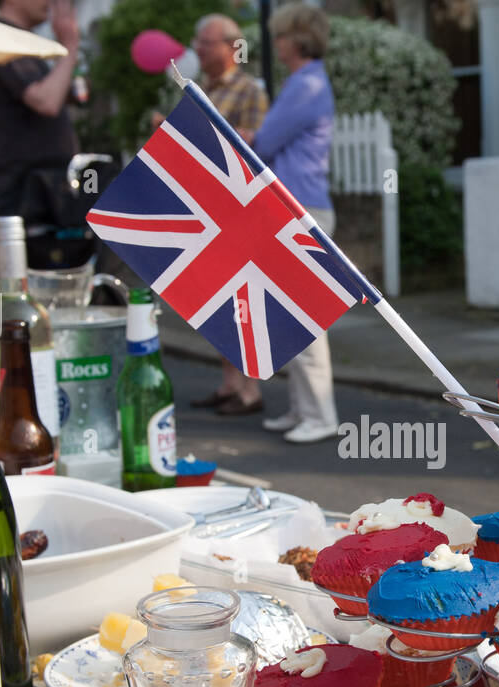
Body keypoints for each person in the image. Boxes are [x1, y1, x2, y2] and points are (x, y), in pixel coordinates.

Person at [250, 3, 340, 444]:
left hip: (303, 211)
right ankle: (303, 409)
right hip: (299, 209)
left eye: (282, 36)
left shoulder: (304, 85)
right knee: (293, 314)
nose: (277, 44)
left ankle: (321, 416)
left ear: (298, 39)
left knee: (306, 317)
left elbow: (264, 143)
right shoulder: (306, 83)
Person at [183, 14, 272, 417]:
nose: (198, 49)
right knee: (213, 300)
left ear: (231, 47)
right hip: (203, 210)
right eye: (198, 42)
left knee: (240, 303)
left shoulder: (250, 91)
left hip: (235, 212)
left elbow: (253, 151)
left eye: (206, 42)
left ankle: (249, 391)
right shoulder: (196, 91)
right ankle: (230, 383)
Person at [0, 0, 81, 224]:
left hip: (45, 191)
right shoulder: (0, 38)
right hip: (25, 194)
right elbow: (45, 101)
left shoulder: (23, 41)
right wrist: (70, 47)